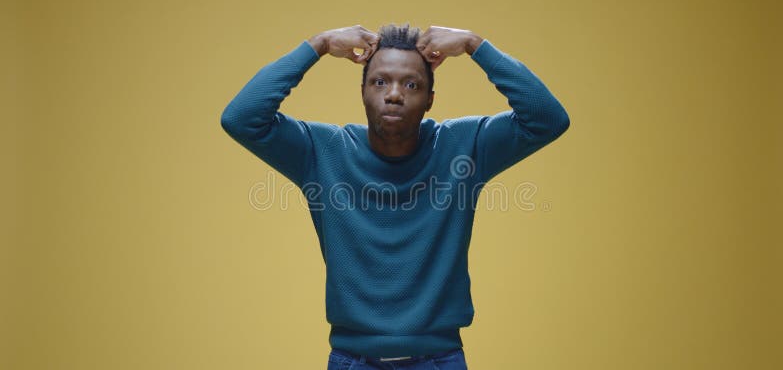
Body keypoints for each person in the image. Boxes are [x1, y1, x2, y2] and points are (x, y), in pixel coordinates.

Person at [221, 23, 570, 370]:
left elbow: (547, 119)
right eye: (380, 81)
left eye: (412, 84)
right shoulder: (323, 151)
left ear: (430, 100)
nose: (393, 93)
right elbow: (242, 118)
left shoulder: (464, 148)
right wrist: (320, 44)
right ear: (363, 92)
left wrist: (474, 45)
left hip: (440, 360)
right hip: (352, 360)